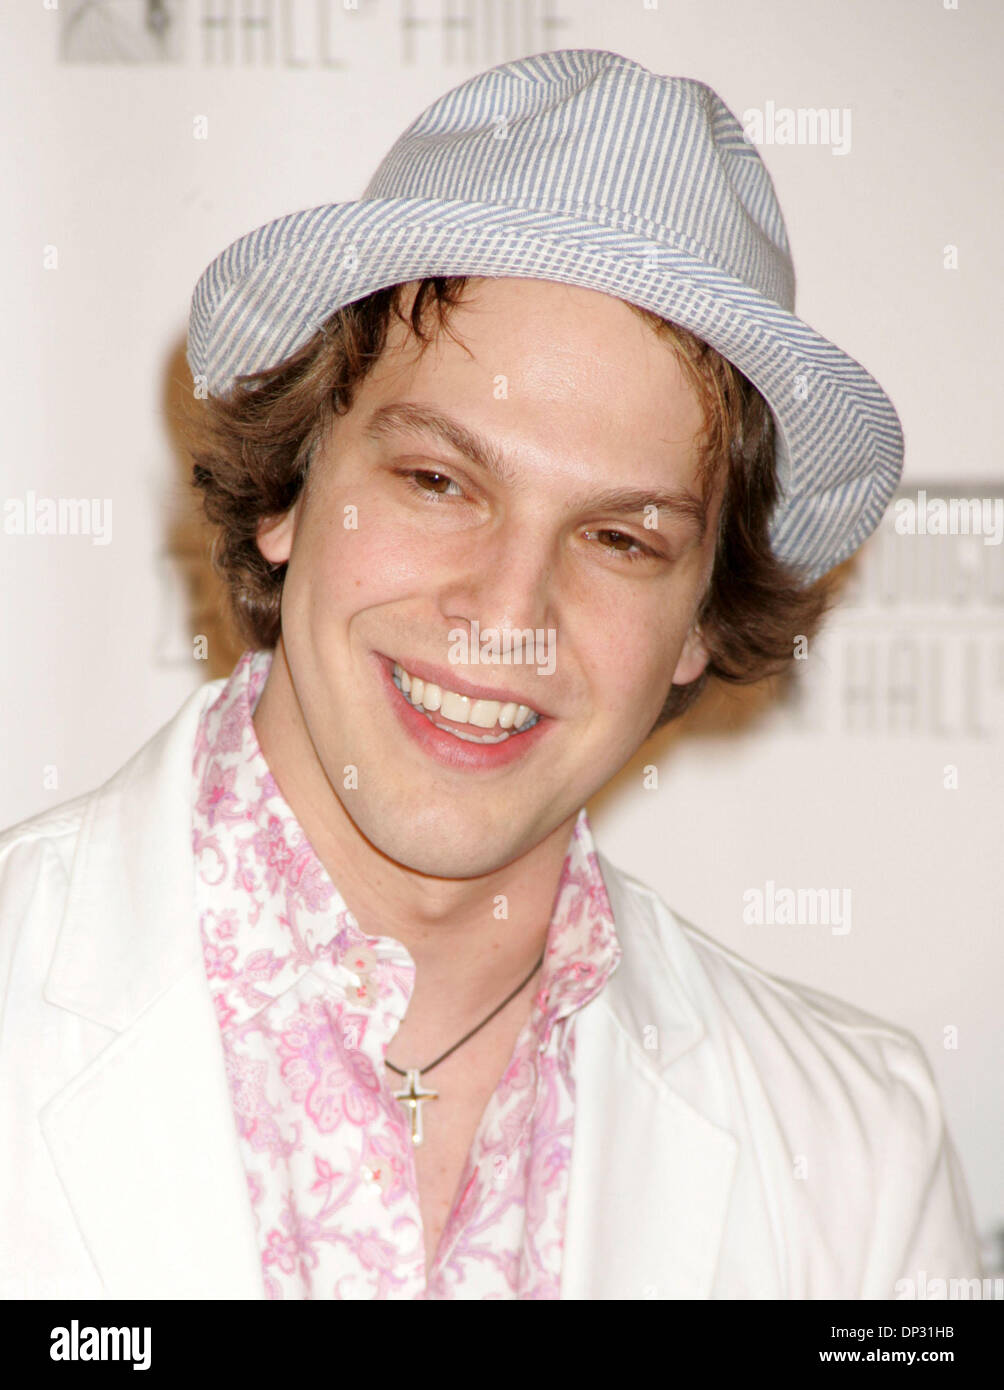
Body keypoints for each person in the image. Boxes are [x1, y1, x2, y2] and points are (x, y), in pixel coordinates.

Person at [0, 48, 981, 1300]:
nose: (508, 617)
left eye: (622, 538)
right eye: (437, 480)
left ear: (697, 620)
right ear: (294, 486)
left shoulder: (857, 1154)